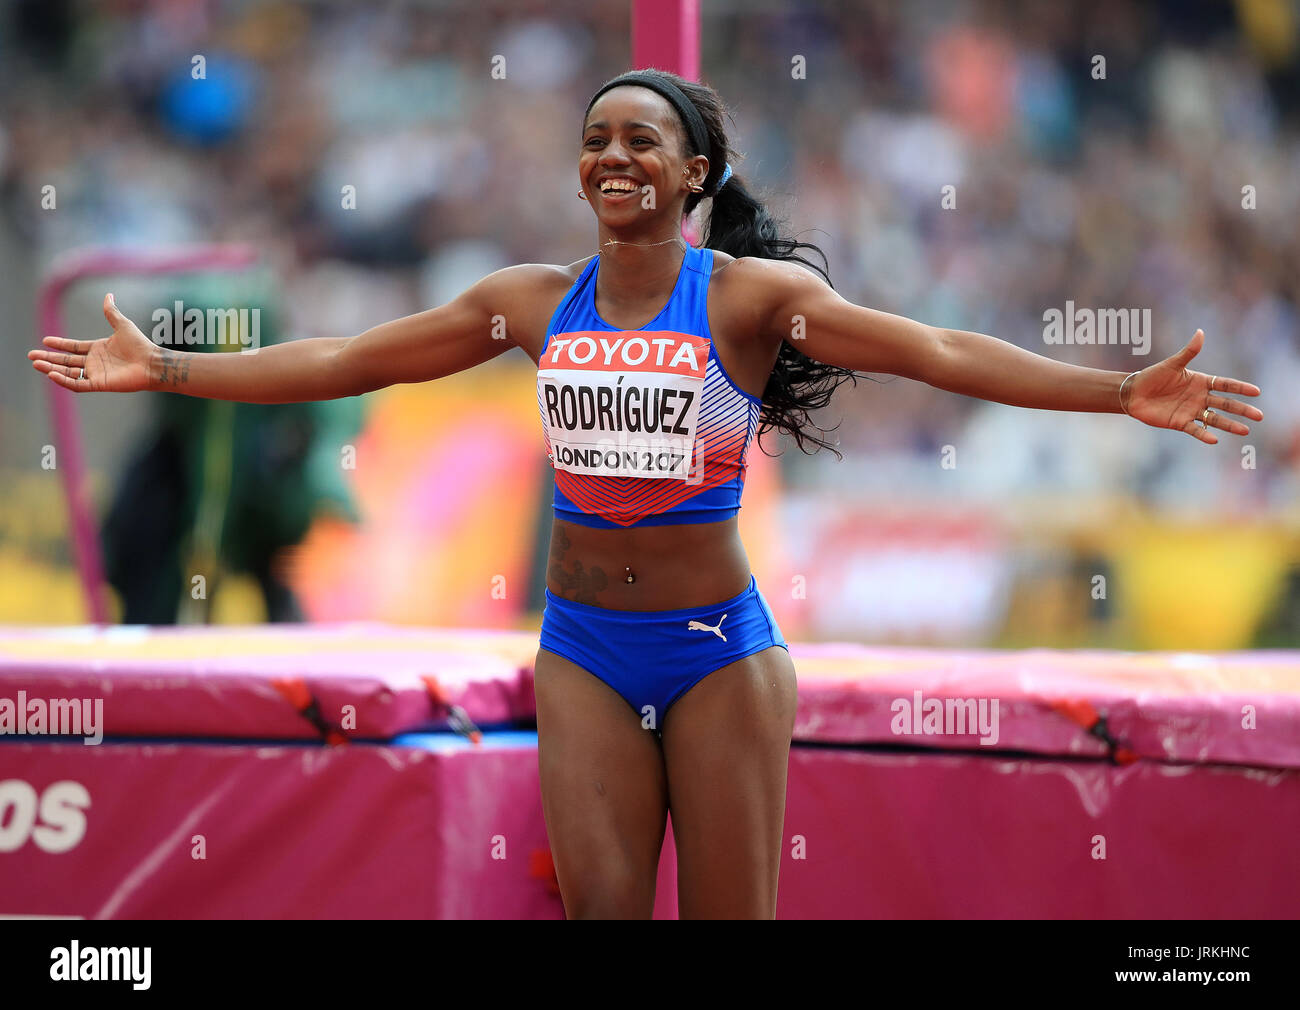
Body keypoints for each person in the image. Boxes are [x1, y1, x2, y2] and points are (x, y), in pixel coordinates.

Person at [28, 69, 1264, 919]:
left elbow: (936, 350)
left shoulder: (745, 301)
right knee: (602, 909)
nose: (611, 155)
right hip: (581, 648)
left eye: (640, 140)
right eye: (596, 139)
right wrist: (172, 367)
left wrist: (1116, 394)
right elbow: (352, 358)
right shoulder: (527, 299)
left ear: (696, 174)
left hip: (716, 651)